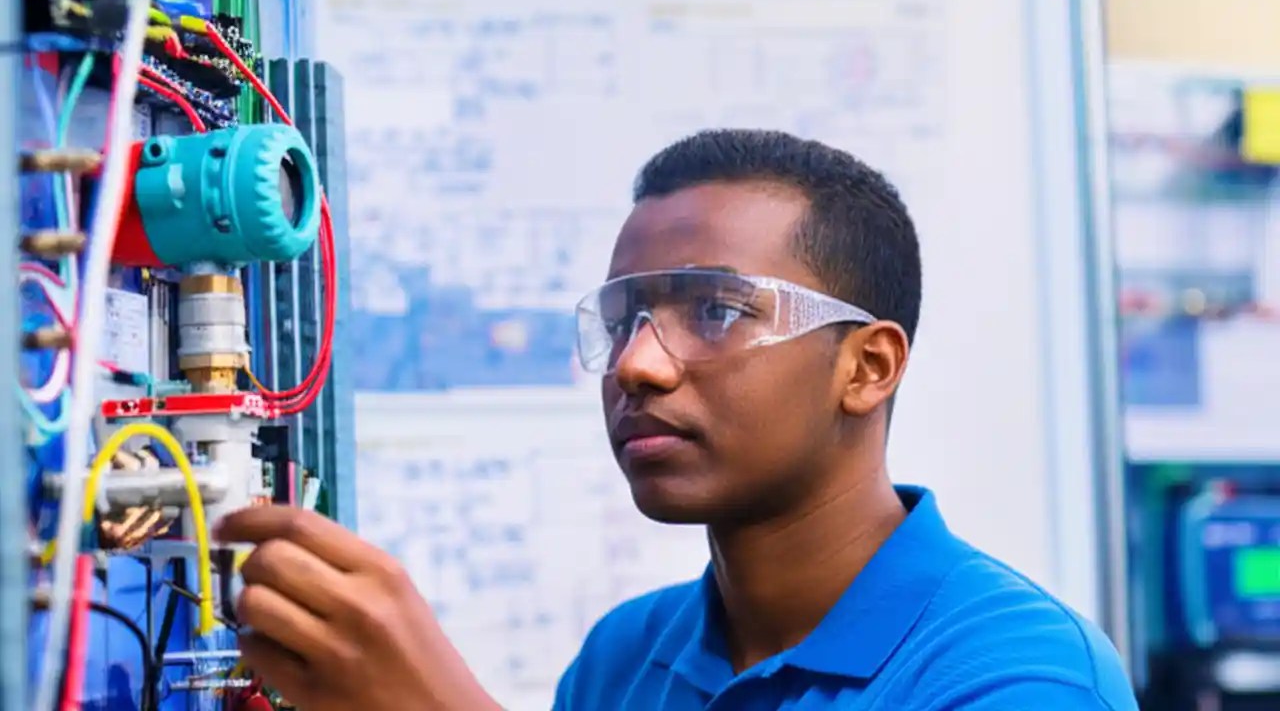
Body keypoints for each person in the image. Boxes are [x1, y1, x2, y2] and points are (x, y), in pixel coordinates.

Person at [215, 129, 1140, 710]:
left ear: (866, 367)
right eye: (623, 318)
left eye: (715, 311)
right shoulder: (628, 659)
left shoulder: (1015, 675)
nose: (636, 364)